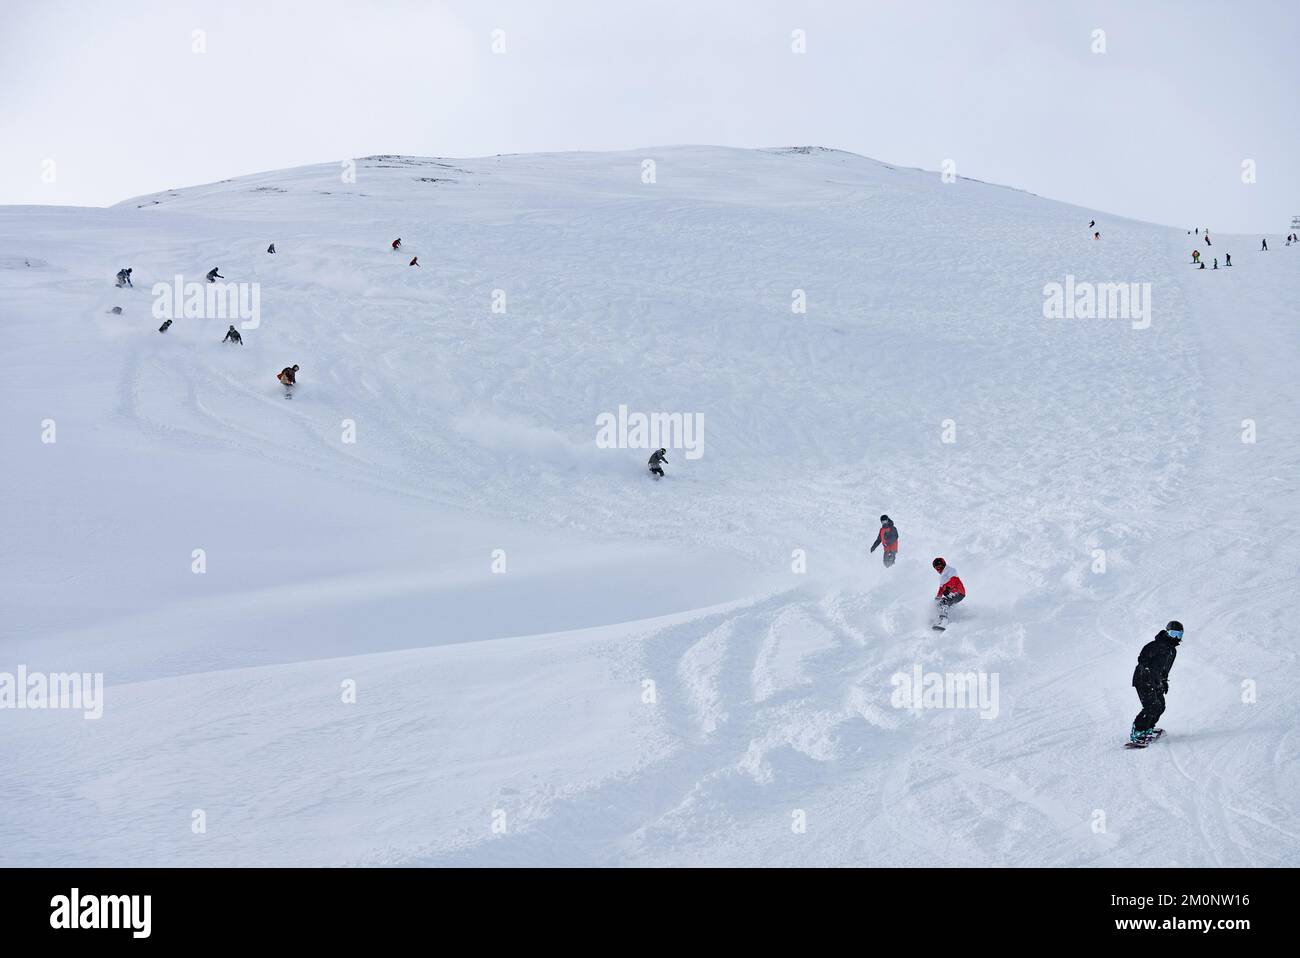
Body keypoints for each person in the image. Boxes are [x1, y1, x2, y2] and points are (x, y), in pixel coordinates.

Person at [1129, 621, 1183, 745]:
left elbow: (1164, 668)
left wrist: (1163, 681)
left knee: (1160, 706)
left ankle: (1148, 728)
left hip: (1156, 681)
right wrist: (1147, 673)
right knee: (1151, 706)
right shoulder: (1155, 645)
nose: (1176, 638)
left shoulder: (1172, 651)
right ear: (1167, 632)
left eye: (1179, 635)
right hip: (1144, 679)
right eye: (1173, 634)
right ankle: (1138, 732)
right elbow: (1142, 659)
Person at [931, 557, 966, 627]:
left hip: (959, 592)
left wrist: (948, 588)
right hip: (952, 592)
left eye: (940, 567)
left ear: (943, 564)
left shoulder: (950, 570)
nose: (938, 569)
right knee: (938, 604)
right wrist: (937, 598)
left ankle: (943, 622)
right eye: (936, 568)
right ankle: (936, 619)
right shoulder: (942, 576)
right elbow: (941, 589)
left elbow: (954, 580)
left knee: (944, 602)